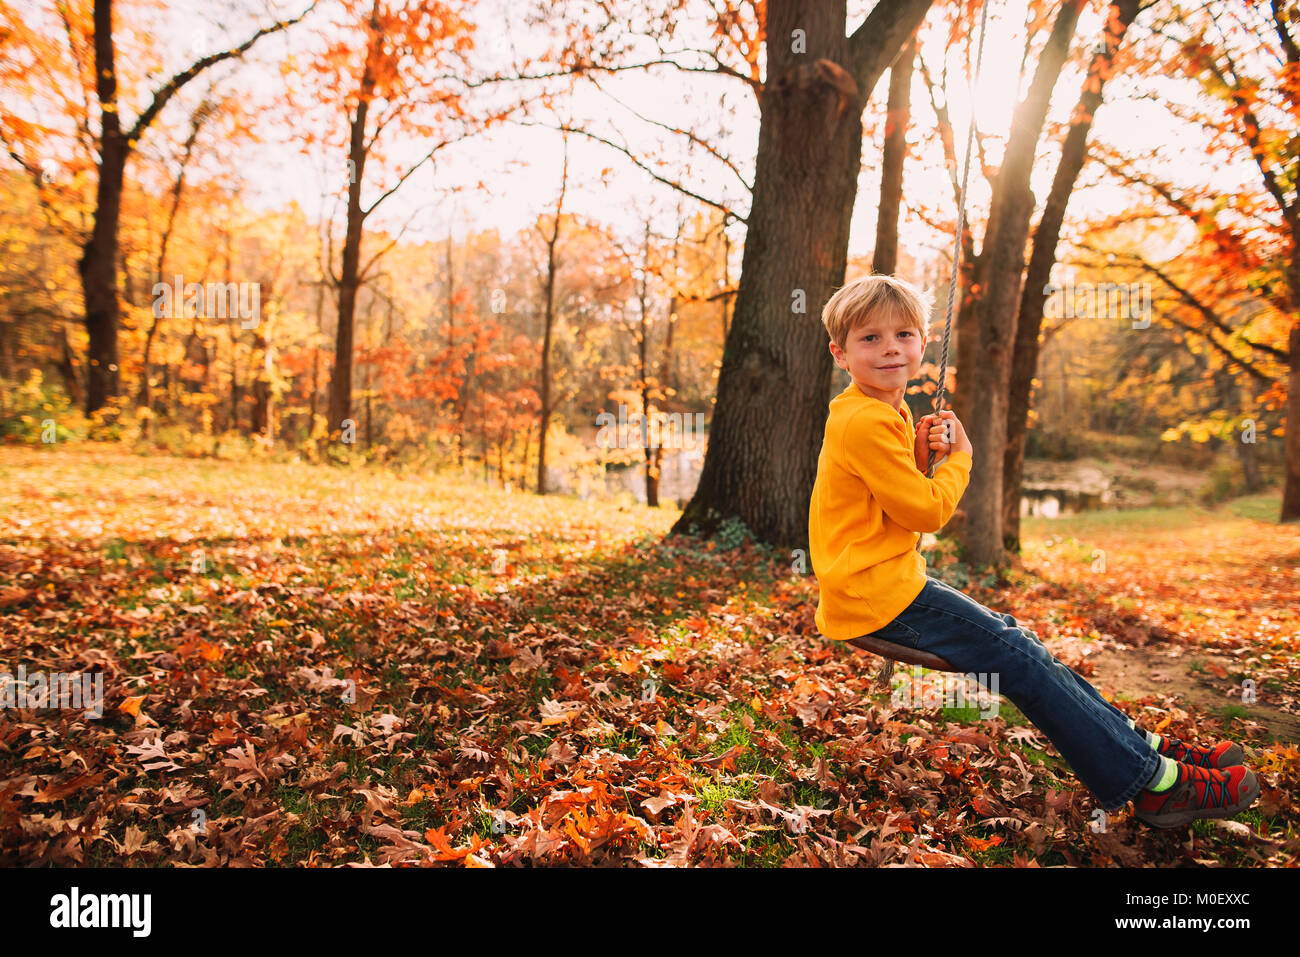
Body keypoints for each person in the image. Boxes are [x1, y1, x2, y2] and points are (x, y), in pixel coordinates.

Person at [807, 274, 1259, 828]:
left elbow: (891, 501)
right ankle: (1154, 785)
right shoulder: (866, 420)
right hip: (877, 594)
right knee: (1021, 662)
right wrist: (960, 459)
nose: (890, 348)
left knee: (1024, 646)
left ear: (923, 343)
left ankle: (1145, 749)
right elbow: (925, 514)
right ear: (840, 352)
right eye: (869, 339)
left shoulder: (880, 412)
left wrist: (924, 457)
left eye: (903, 333)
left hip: (885, 582)